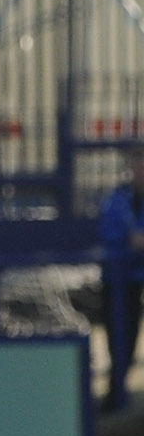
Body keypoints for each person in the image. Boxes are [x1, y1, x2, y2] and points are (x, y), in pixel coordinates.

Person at [96, 142, 144, 412]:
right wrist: (130, 239)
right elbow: (108, 231)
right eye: (137, 165)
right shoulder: (118, 199)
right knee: (118, 334)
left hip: (135, 278)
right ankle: (116, 392)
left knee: (132, 333)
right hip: (118, 280)